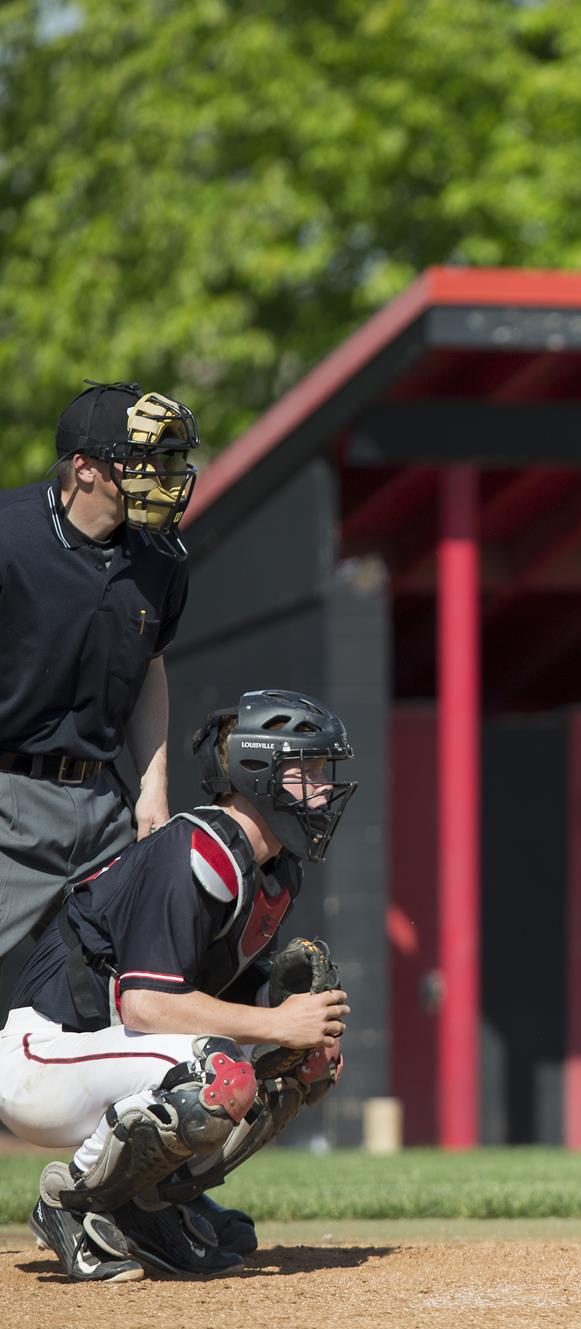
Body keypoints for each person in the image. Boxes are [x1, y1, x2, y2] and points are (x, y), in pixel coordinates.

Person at [0, 689, 355, 1280]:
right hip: (44, 1057)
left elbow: (211, 1000)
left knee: (302, 1060)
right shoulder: (197, 850)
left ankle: (156, 1200)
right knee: (217, 1072)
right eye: (308, 770)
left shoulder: (273, 867)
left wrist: (284, 1011)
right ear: (258, 772)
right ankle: (74, 1200)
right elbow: (148, 1004)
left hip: (117, 1053)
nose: (322, 787)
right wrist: (275, 1021)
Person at [0, 382, 199, 984]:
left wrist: (153, 791)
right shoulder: (10, 536)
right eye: (146, 461)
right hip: (9, 796)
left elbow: (149, 668)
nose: (167, 476)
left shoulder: (161, 558)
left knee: (115, 995)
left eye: (172, 459)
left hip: (103, 808)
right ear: (84, 468)